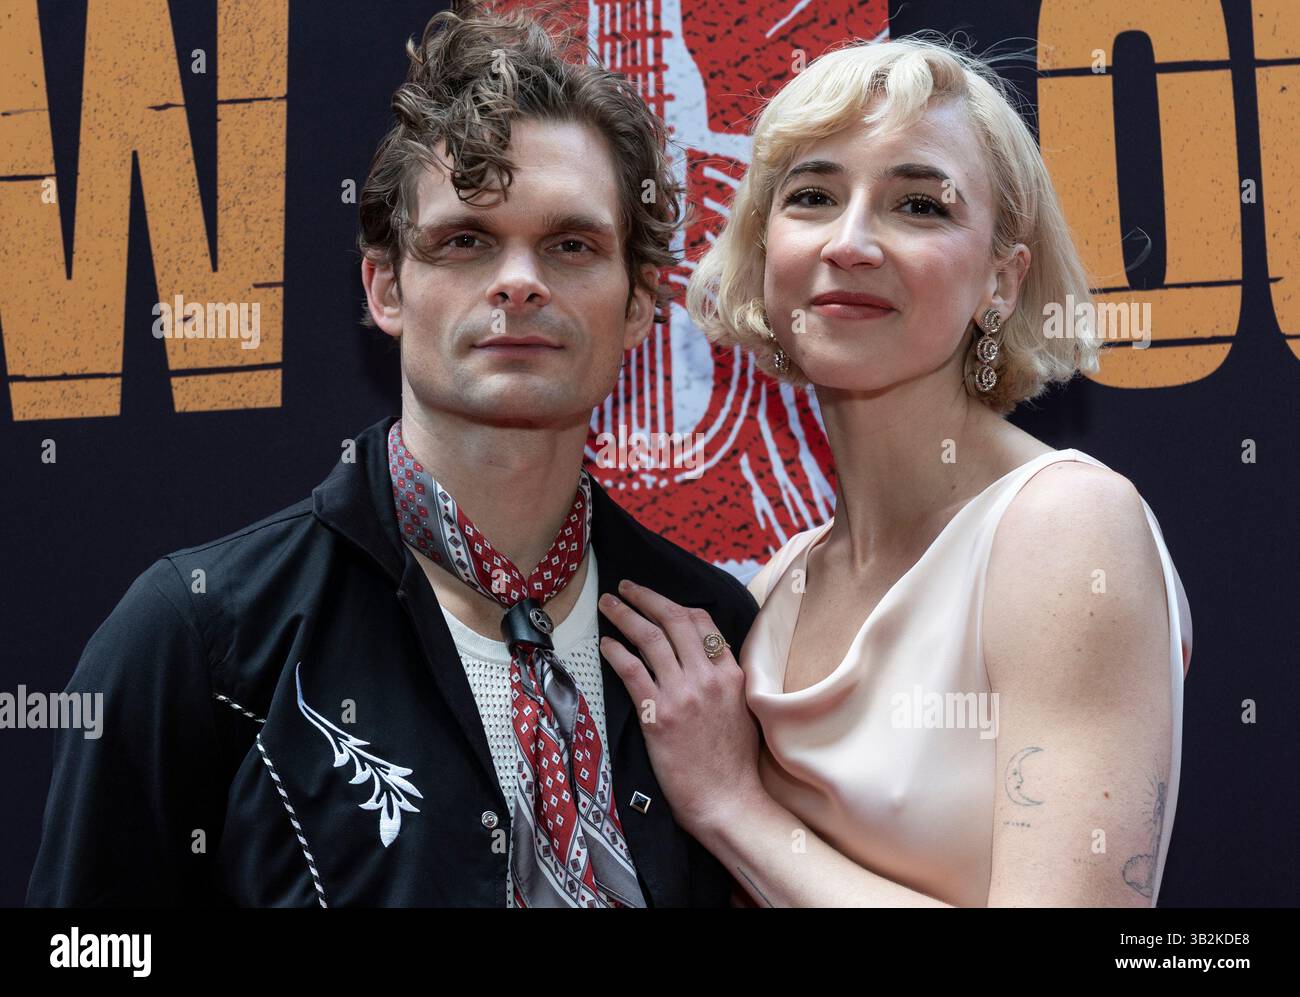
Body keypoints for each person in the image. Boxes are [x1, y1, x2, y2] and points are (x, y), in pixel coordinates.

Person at [26, 5, 757, 908]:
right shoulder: (202, 640)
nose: (519, 280)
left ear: (642, 302)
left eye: (571, 244)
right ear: (385, 287)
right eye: (466, 240)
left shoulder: (712, 642)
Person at [597, 35, 1193, 907]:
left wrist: (732, 805)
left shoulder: (1069, 529)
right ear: (766, 261)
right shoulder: (773, 591)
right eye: (812, 197)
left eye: (919, 205)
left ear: (1002, 278)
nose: (852, 241)